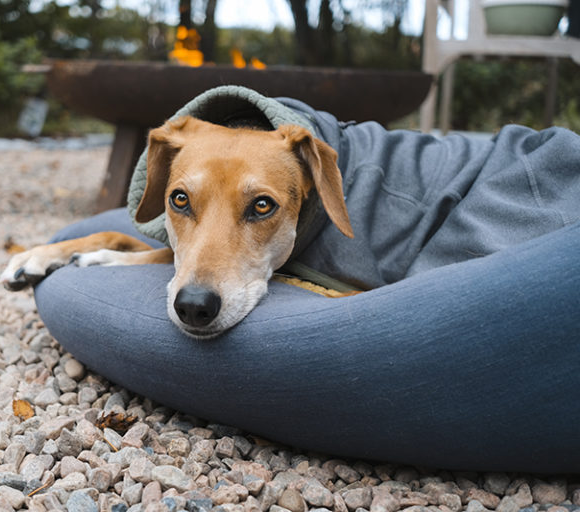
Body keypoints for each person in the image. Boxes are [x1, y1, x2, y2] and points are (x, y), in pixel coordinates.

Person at [33, 86, 580, 473]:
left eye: (260, 208)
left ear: (314, 184)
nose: (198, 290)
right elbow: (194, 233)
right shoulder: (187, 147)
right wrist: (121, 246)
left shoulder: (339, 189)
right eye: (183, 202)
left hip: (539, 184)